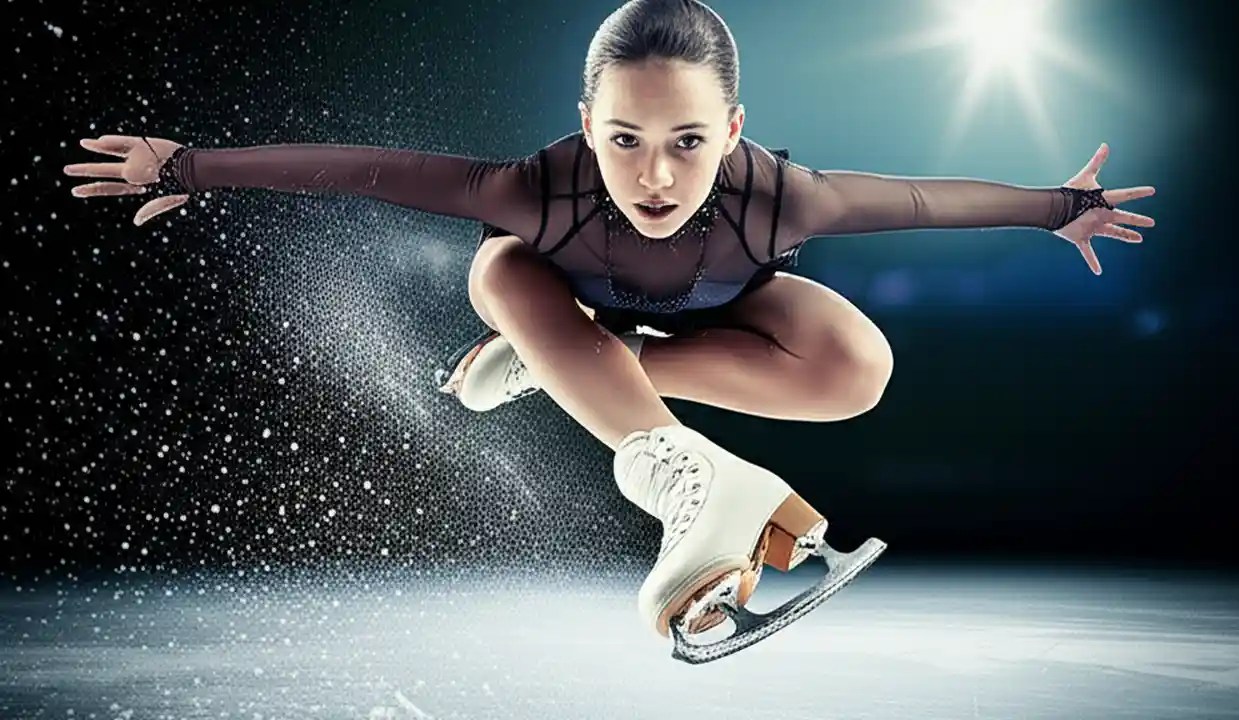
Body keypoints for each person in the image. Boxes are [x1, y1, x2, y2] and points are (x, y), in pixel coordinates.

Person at [63, 0, 1155, 649]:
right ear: (585, 126)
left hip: (700, 322)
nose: (655, 174)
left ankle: (582, 369)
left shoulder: (791, 198)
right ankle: (664, 462)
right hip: (563, 294)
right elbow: (364, 168)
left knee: (855, 365)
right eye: (624, 140)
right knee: (500, 271)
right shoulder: (533, 192)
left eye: (686, 141)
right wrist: (191, 168)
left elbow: (924, 201)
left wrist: (1056, 208)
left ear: (731, 128)